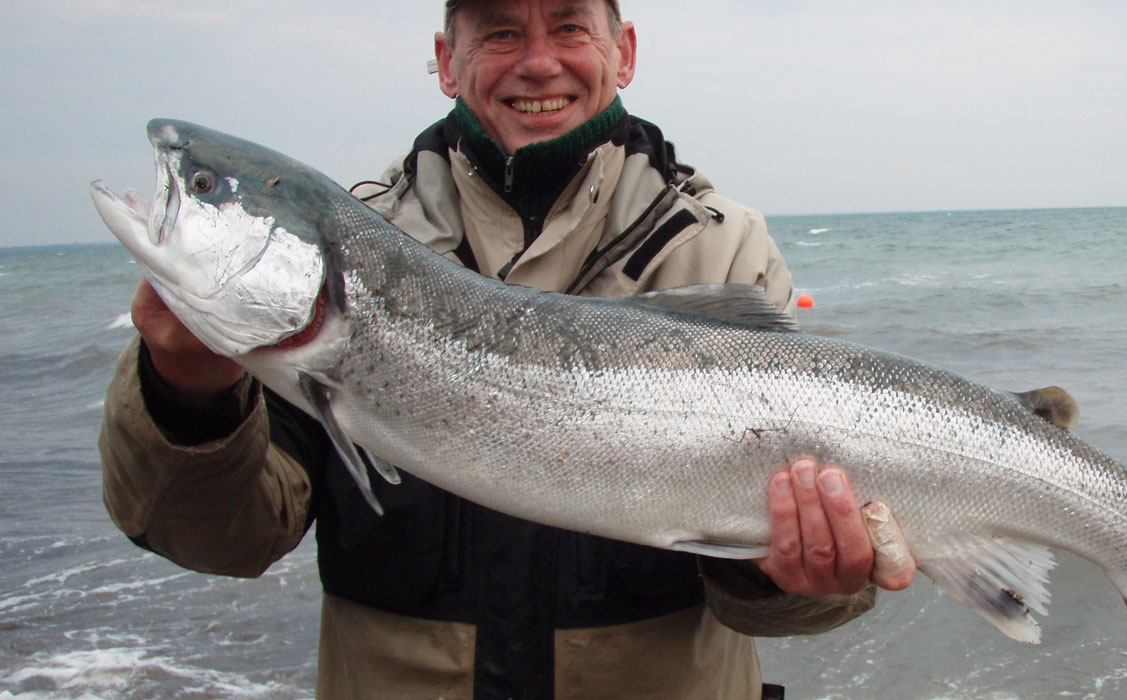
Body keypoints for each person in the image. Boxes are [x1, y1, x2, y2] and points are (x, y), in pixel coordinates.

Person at [98, 1, 916, 698]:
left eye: (568, 26)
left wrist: (791, 573)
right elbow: (220, 541)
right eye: (497, 33)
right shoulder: (355, 253)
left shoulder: (718, 248)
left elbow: (787, 610)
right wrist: (186, 392)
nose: (537, 63)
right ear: (445, 61)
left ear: (622, 52)